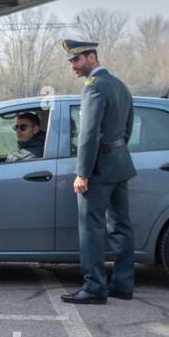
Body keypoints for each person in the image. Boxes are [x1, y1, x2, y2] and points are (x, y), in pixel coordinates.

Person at [60, 40, 136, 305]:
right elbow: (127, 128)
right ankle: (123, 285)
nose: (73, 67)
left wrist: (83, 173)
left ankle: (94, 287)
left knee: (91, 228)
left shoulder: (95, 87)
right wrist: (115, 152)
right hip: (120, 163)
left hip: (100, 168)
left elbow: (89, 134)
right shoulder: (119, 85)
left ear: (92, 57)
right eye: (70, 62)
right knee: (120, 227)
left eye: (76, 60)